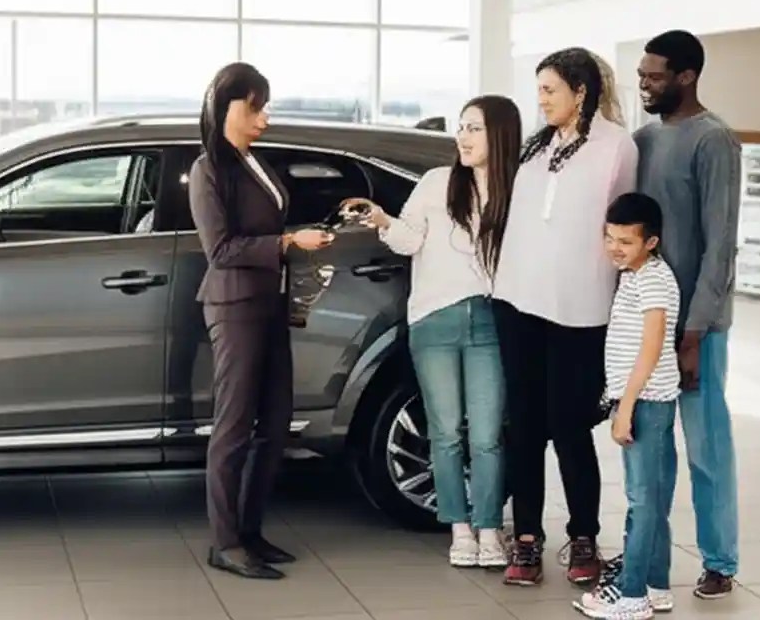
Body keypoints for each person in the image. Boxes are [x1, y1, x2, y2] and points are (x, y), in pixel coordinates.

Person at [345, 95, 523, 568]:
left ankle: (489, 528)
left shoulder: (516, 191)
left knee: (486, 435)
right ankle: (459, 530)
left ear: (500, 134)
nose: (462, 137)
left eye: (475, 128)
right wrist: (382, 220)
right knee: (444, 432)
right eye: (461, 127)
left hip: (489, 320)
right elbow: (409, 240)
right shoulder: (437, 182)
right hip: (434, 321)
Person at [492, 47, 639, 587]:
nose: (542, 100)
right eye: (539, 91)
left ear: (581, 91)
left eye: (550, 90)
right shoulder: (536, 148)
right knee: (524, 426)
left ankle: (583, 537)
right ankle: (526, 539)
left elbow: (622, 230)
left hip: (582, 307)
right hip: (517, 301)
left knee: (570, 426)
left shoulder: (616, 147)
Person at [188, 62, 333, 580]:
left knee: (274, 425)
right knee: (233, 426)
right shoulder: (210, 169)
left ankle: (249, 533)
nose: (264, 116)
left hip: (269, 305)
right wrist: (288, 242)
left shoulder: (255, 163)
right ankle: (224, 542)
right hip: (234, 307)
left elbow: (265, 229)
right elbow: (221, 249)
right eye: (256, 105)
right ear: (228, 107)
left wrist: (295, 237)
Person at [631, 29, 741, 599]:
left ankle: (720, 560)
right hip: (647, 319)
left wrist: (694, 333)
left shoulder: (714, 139)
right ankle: (649, 565)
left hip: (696, 329)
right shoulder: (643, 139)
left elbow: (720, 244)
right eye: (641, 74)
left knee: (706, 449)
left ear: (687, 76)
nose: (644, 83)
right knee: (652, 453)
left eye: (654, 75)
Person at [574, 192, 681, 620]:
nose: (615, 248)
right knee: (652, 498)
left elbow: (652, 348)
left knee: (642, 501)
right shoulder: (635, 274)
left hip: (647, 402)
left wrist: (626, 406)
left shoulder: (654, 279)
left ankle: (633, 593)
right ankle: (655, 585)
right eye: (610, 238)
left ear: (651, 242)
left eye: (626, 241)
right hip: (642, 400)